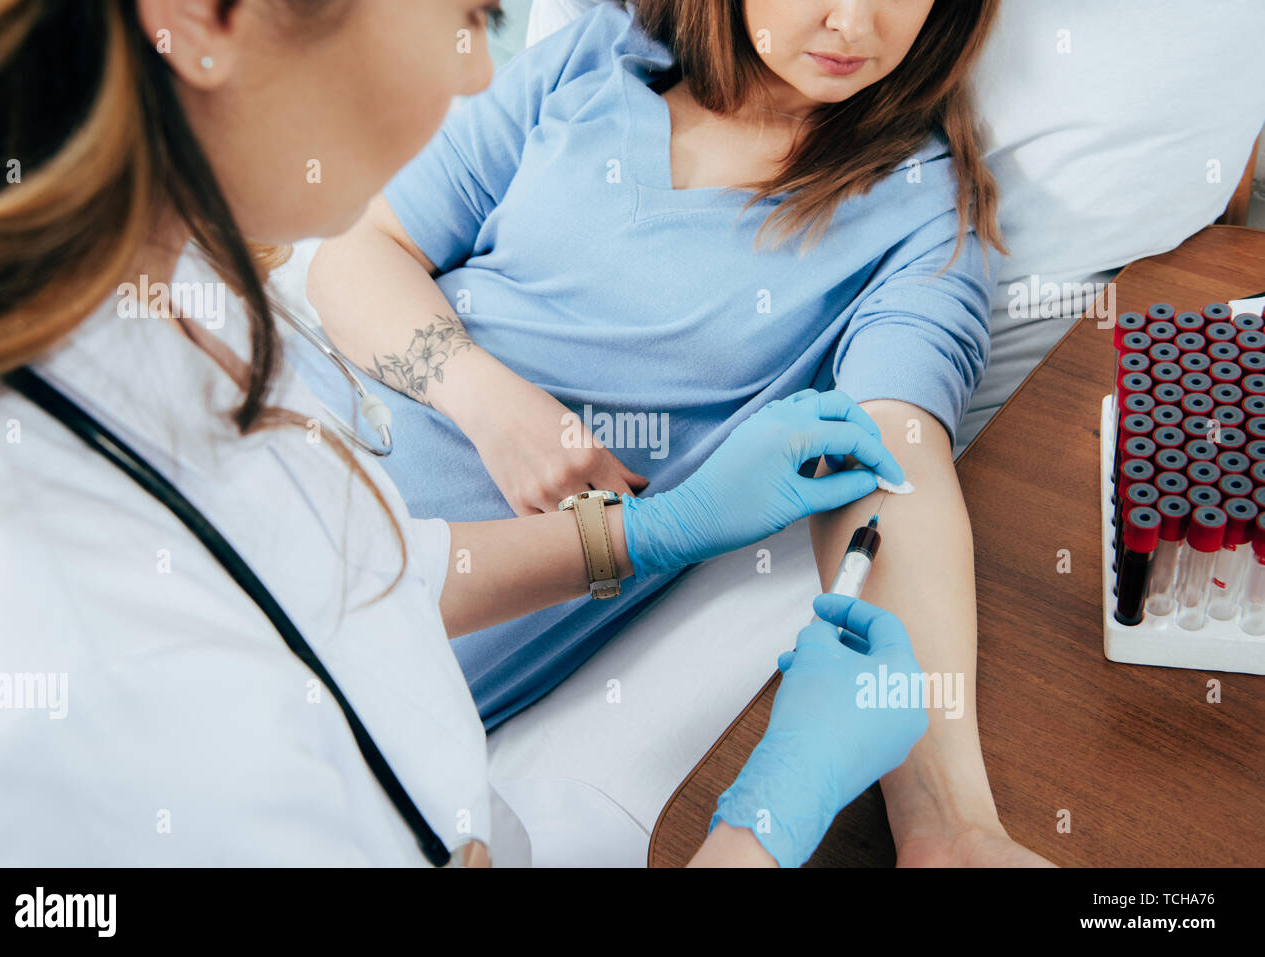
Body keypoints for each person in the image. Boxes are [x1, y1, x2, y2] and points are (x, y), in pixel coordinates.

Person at [0, 0, 925, 868]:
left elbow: (352, 578)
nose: (479, 71)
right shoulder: (76, 668)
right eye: (471, 15)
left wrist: (648, 533)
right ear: (206, 19)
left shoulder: (170, 321)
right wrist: (759, 828)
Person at [299, 0, 1049, 866]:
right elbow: (361, 253)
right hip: (270, 452)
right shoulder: (598, 55)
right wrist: (493, 405)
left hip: (368, 645)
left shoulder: (921, 214)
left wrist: (946, 820)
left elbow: (895, 463)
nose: (852, 20)